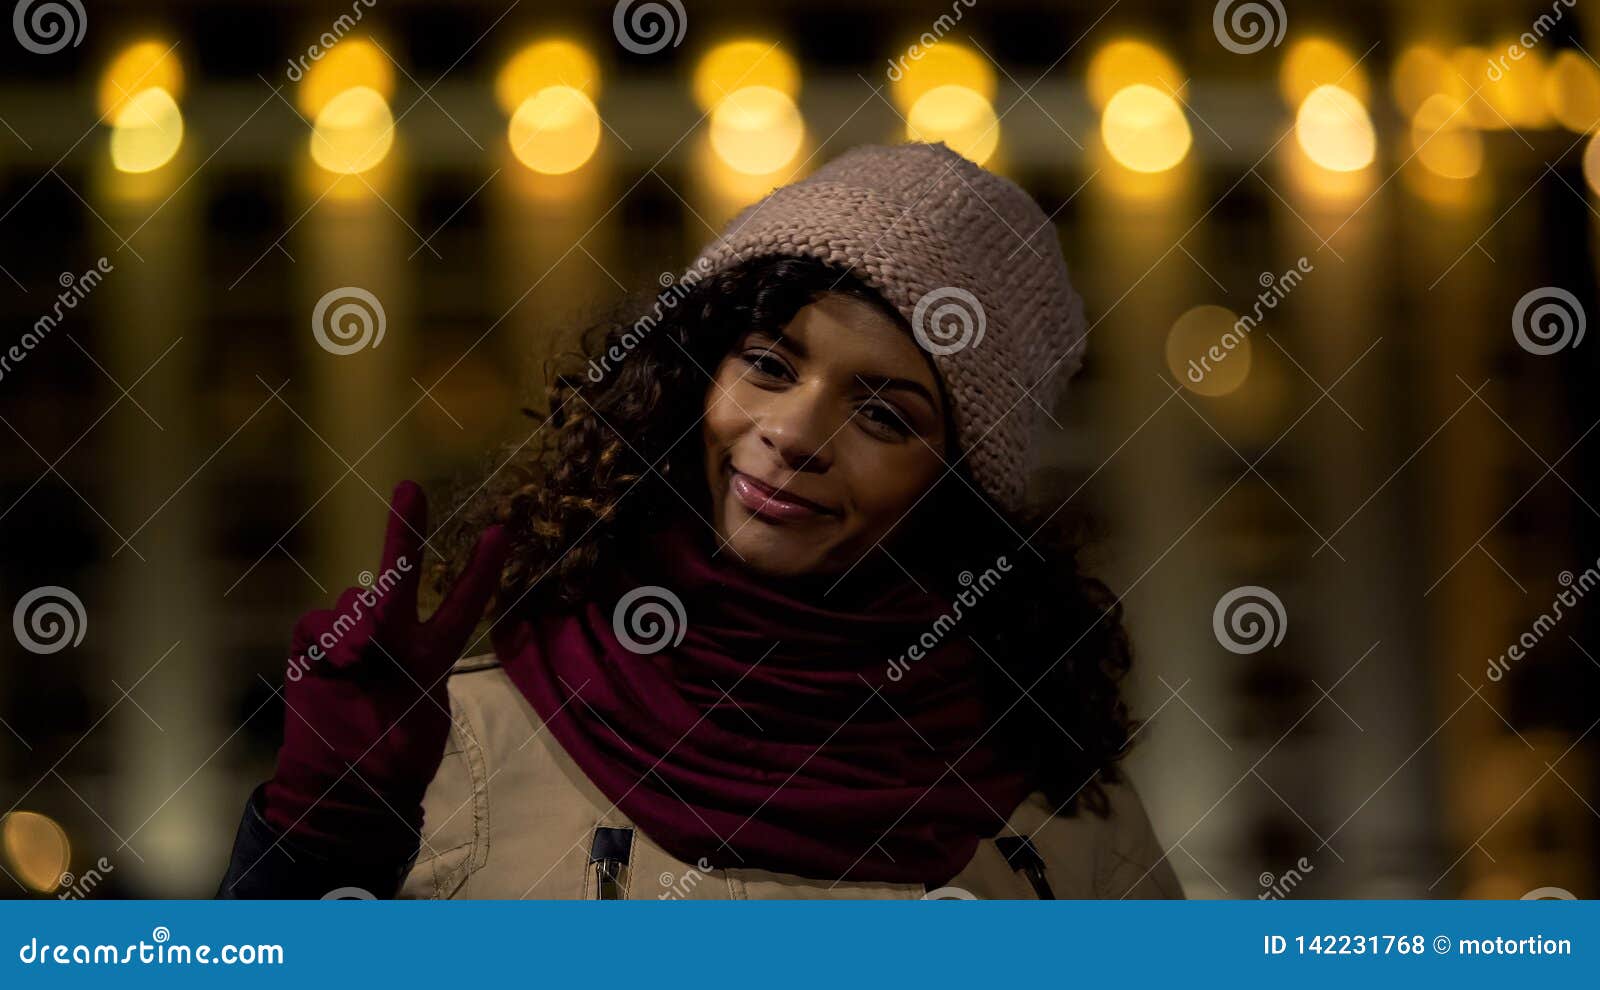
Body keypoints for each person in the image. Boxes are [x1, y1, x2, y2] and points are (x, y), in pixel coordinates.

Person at [217, 141, 1184, 900]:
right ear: (690, 382)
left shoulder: (1068, 831)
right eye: (768, 363)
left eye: (884, 415)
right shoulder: (453, 746)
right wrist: (309, 849)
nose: (794, 433)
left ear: (957, 492)